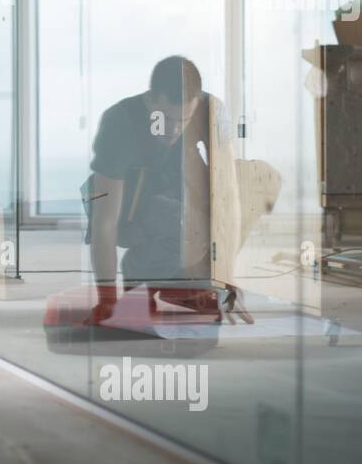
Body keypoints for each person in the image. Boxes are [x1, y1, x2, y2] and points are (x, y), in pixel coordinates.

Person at [86, 56, 244, 325]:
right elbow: (105, 222)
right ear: (150, 100)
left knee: (252, 187)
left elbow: (228, 198)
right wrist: (107, 299)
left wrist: (225, 280)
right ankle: (141, 273)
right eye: (165, 119)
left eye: (183, 120)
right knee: (174, 214)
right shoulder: (118, 122)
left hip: (176, 190)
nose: (172, 130)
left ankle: (181, 283)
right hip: (131, 206)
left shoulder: (213, 111)